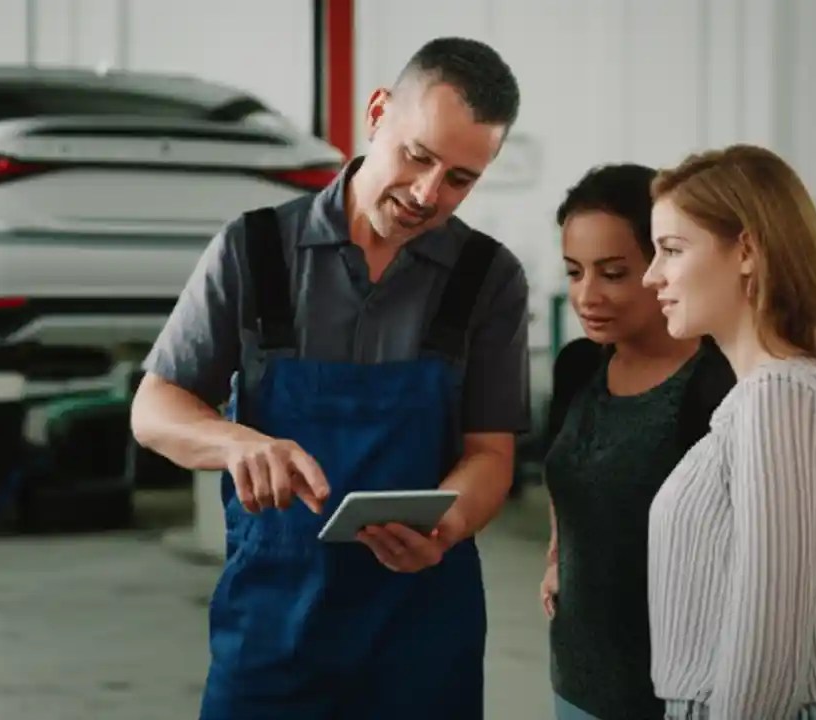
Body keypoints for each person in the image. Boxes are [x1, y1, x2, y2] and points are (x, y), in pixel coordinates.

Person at [130, 37, 529, 720]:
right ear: (378, 113)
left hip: (422, 636)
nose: (429, 193)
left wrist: (448, 521)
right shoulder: (254, 252)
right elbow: (156, 408)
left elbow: (490, 455)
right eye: (418, 156)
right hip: (273, 626)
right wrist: (236, 445)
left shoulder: (488, 279)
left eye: (460, 178)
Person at [642, 144, 816, 720]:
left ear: (747, 250)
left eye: (672, 250)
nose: (653, 276)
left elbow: (768, 630)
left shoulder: (779, 400)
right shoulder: (776, 395)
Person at [539, 164, 734, 720]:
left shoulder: (717, 380)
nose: (587, 295)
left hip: (677, 691)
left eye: (614, 272)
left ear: (665, 263)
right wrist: (560, 554)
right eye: (574, 272)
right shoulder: (579, 367)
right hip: (576, 676)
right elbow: (568, 468)